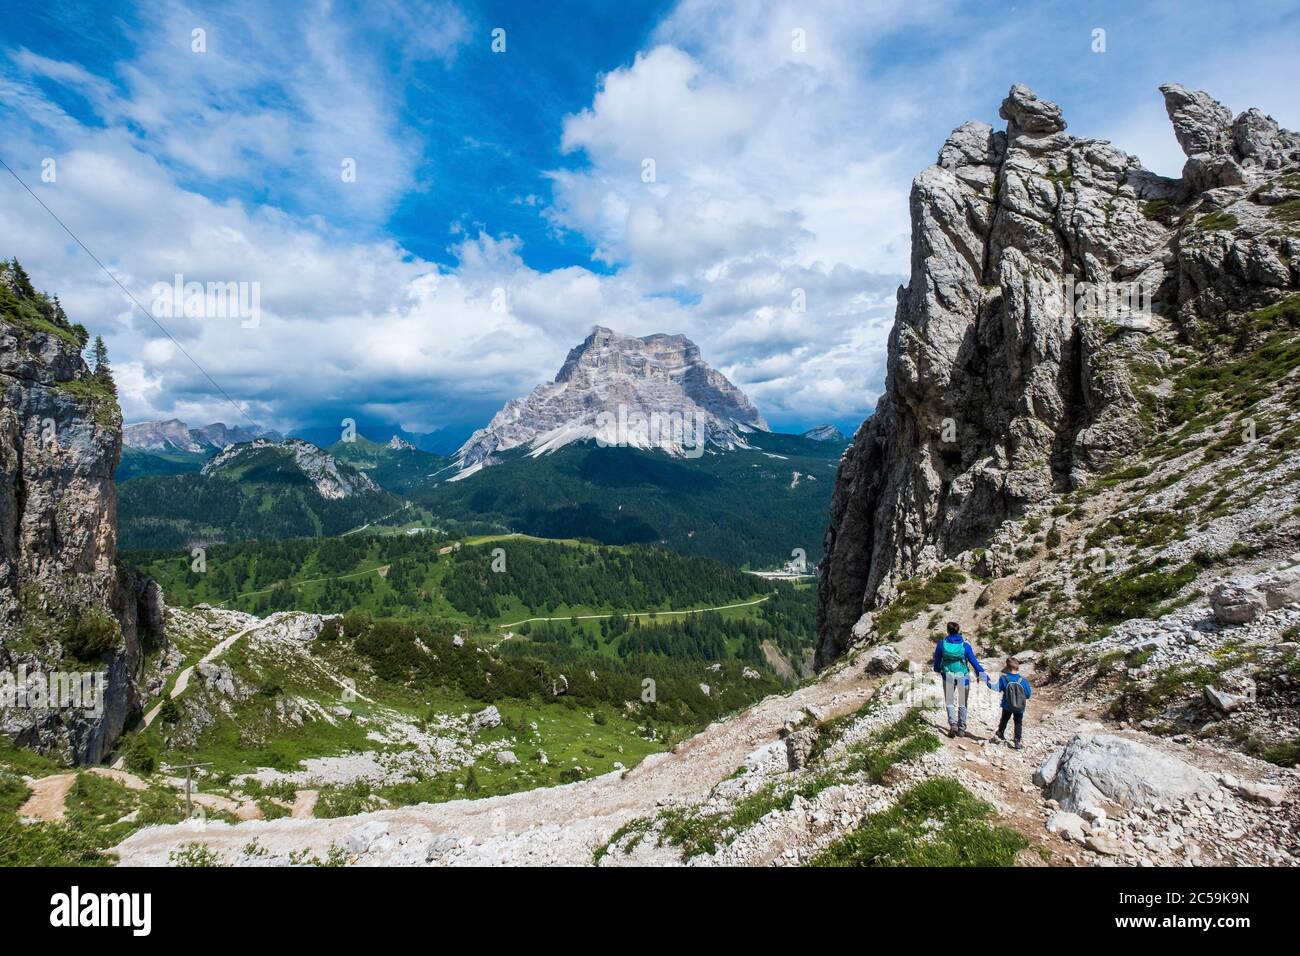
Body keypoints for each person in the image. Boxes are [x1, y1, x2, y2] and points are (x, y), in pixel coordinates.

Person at [932, 621, 990, 738]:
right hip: (963, 677)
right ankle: (962, 729)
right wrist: (985, 678)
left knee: (949, 701)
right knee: (963, 703)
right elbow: (974, 663)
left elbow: (937, 661)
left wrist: (938, 669)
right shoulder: (965, 646)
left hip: (948, 675)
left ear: (947, 631)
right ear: (958, 631)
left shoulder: (941, 644)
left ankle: (953, 723)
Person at [995, 657, 1032, 749]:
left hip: (1007, 705)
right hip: (1020, 707)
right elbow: (1028, 694)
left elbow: (998, 688)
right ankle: (1017, 741)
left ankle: (1000, 733)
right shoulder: (1023, 680)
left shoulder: (1004, 678)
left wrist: (987, 681)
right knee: (1018, 723)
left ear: (1007, 667)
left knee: (1004, 719)